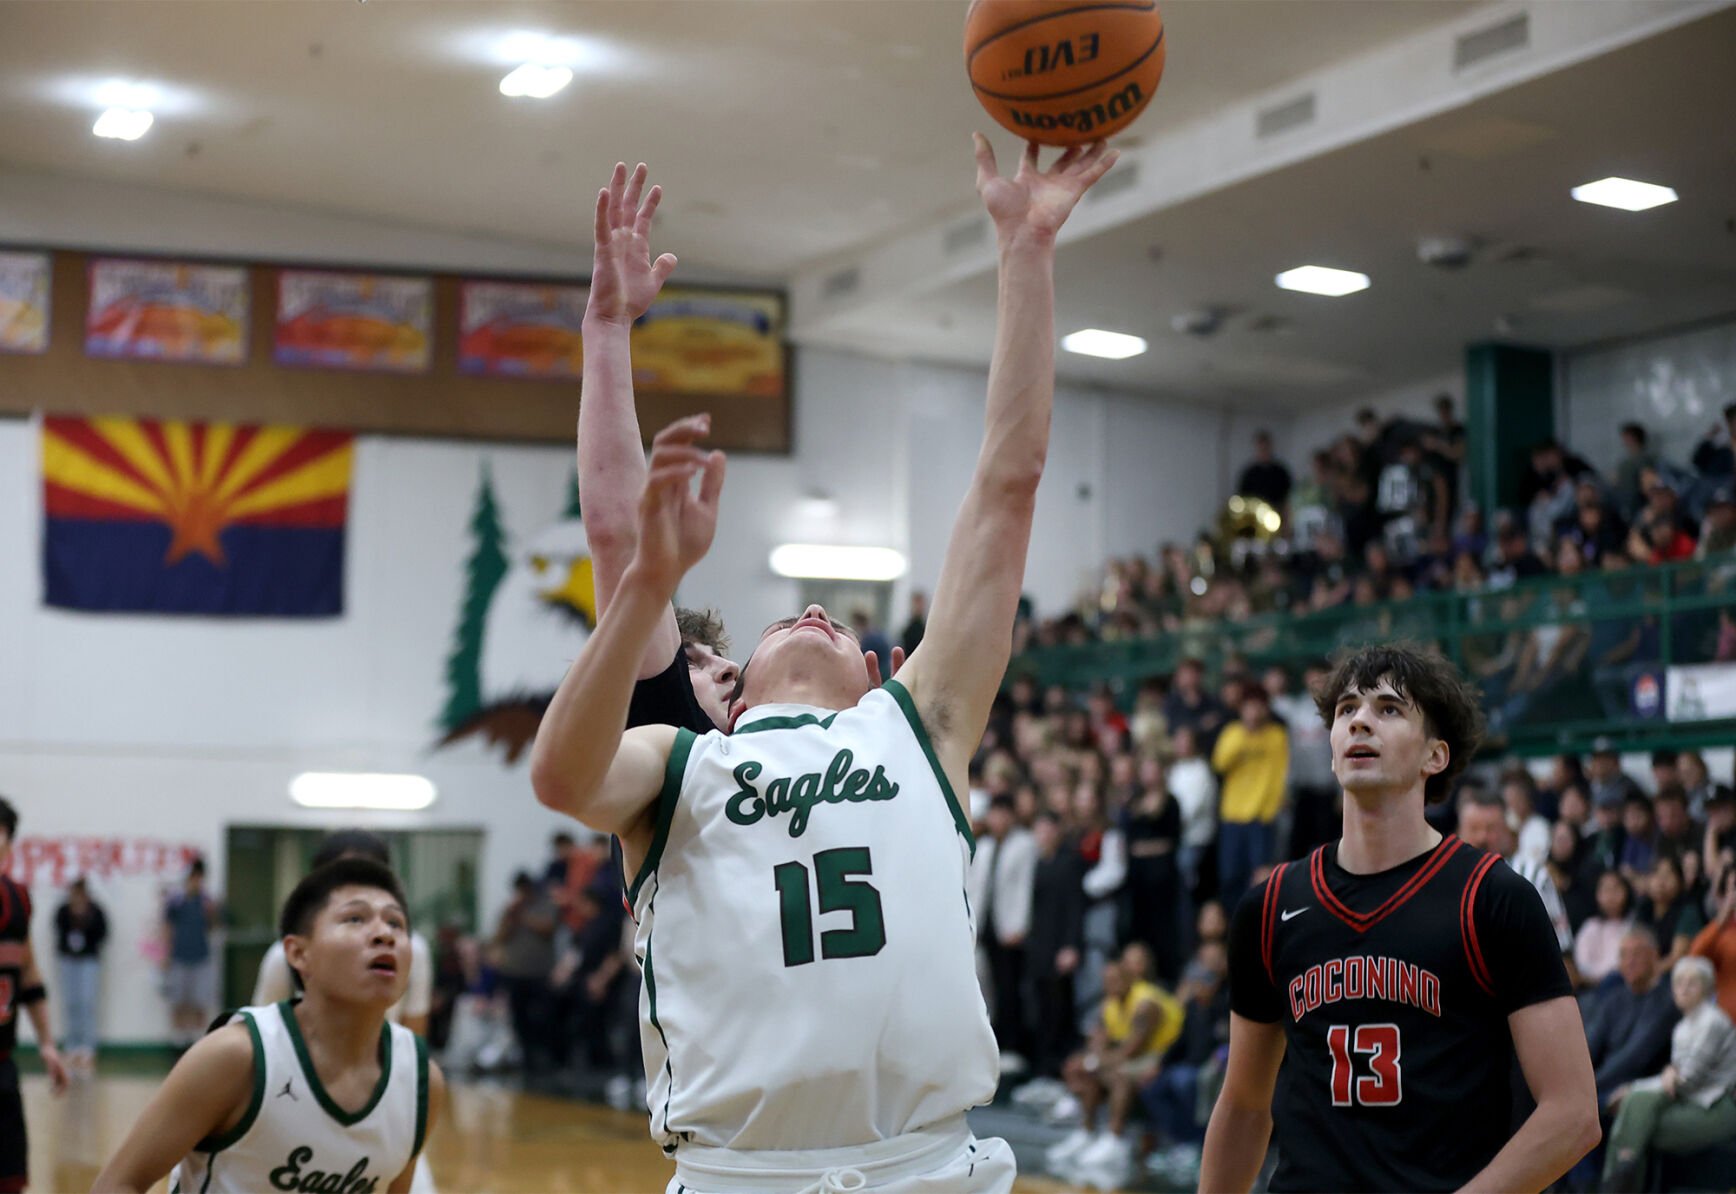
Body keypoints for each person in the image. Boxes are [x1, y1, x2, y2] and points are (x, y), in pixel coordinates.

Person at [528, 136, 1119, 1192]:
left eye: (838, 625)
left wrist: (1026, 252)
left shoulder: (919, 728)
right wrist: (606, 336)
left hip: (925, 1168)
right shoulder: (681, 761)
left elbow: (1007, 485)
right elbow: (563, 773)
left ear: (881, 676)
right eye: (776, 625)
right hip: (739, 1175)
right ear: (729, 696)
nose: (810, 611)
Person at [1200, 643, 1599, 1192]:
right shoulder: (1269, 908)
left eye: (1388, 709)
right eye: (1347, 709)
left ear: (1435, 756)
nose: (1360, 721)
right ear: (1333, 749)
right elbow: (1245, 1106)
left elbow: (1573, 1113)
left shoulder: (1492, 898)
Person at [93, 858, 444, 1193]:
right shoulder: (234, 1057)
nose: (384, 934)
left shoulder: (421, 1082)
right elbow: (116, 1184)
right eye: (355, 919)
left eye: (396, 923)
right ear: (298, 953)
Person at [252, 831, 432, 1037]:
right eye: (344, 878)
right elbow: (262, 1035)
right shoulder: (282, 958)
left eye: (371, 878)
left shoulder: (410, 950)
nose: (383, 934)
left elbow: (414, 1036)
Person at [1047, 945, 1183, 1188]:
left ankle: (1115, 1139)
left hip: (1165, 1055)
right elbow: (1098, 1041)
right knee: (1082, 1068)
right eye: (1107, 981)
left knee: (1119, 1075)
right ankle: (1086, 1133)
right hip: (1134, 1054)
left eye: (1117, 980)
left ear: (1130, 979)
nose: (1112, 985)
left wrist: (1095, 1062)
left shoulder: (1146, 1003)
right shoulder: (1109, 1003)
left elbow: (1134, 1049)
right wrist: (1087, 1061)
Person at [1601, 955, 1736, 1191]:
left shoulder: (1711, 1022)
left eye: (1692, 983)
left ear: (1706, 988)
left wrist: (1641, 1086)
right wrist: (1636, 1088)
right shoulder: (1683, 1026)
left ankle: (1615, 1183)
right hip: (1690, 1102)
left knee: (1635, 1124)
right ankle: (1622, 1178)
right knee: (1636, 1106)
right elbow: (1672, 1079)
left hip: (1716, 1106)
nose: (1683, 989)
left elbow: (1686, 1081)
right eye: (1678, 982)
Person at [0, 797, 69, 1193]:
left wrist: (47, 1043)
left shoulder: (18, 899)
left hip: (1, 1065)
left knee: (10, 1179)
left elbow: (28, 973)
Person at [970, 795, 1037, 1065]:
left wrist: (1020, 924)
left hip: (1009, 926)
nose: (997, 820)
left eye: (1002, 814)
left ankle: (1012, 1045)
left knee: (1010, 987)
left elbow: (1024, 887)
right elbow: (975, 886)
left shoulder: (1024, 844)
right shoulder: (984, 846)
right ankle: (991, 1041)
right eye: (994, 814)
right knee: (986, 986)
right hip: (985, 923)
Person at [1210, 686, 1288, 910]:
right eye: (1249, 706)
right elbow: (1220, 764)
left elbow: (1279, 776)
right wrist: (1246, 733)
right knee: (1230, 876)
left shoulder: (1277, 736)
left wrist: (1270, 810)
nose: (1254, 711)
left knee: (1260, 880)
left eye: (1258, 706)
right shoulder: (1232, 733)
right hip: (1232, 816)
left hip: (1262, 818)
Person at [163, 857, 220, 1049]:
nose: (196, 881)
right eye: (193, 877)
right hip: (179, 957)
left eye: (199, 877)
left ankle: (197, 1043)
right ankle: (178, 1044)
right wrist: (166, 955)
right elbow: (168, 927)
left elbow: (213, 928)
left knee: (200, 1002)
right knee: (178, 1002)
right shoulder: (176, 901)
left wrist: (211, 914)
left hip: (201, 958)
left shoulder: (207, 901)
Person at [54, 876, 108, 1077]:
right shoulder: (63, 911)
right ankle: (72, 1046)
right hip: (68, 961)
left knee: (87, 1003)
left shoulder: (95, 911)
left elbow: (103, 933)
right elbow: (58, 931)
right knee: (71, 1003)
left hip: (88, 961)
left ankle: (88, 1048)